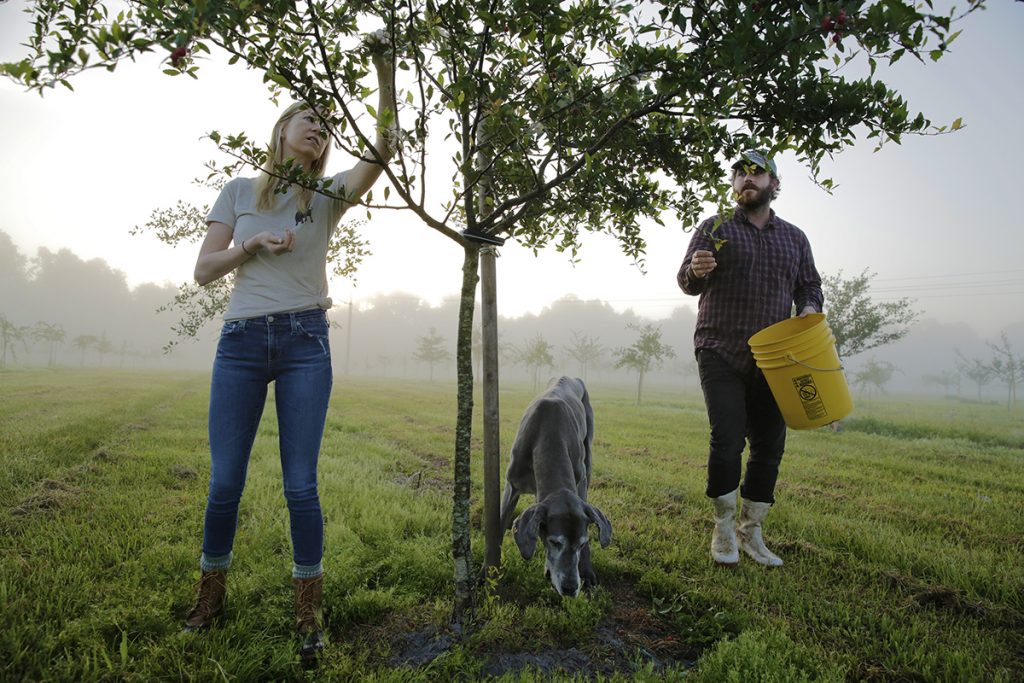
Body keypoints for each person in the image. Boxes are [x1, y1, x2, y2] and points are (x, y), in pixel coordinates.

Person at [182, 32, 396, 657]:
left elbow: (385, 147)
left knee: (300, 484)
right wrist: (250, 245)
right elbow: (203, 271)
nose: (320, 130)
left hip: (305, 341)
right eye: (310, 120)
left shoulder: (327, 198)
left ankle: (308, 611)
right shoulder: (238, 192)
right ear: (281, 131)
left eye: (327, 128)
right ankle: (210, 595)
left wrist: (384, 70)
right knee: (225, 481)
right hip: (242, 343)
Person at [677, 149, 823, 568]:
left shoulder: (794, 238)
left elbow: (809, 286)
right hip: (719, 348)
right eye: (740, 173)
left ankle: (751, 531)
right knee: (726, 440)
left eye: (757, 173)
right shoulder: (715, 227)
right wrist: (696, 270)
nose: (747, 179)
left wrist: (808, 308)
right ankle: (723, 528)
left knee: (769, 446)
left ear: (774, 184)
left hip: (775, 358)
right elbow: (686, 281)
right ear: (733, 184)